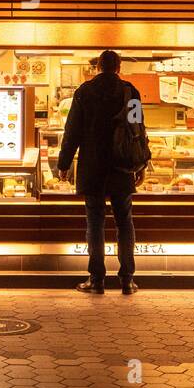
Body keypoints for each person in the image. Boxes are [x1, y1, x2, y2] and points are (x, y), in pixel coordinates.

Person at [57, 49, 141, 295]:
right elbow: (137, 129)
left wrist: (63, 164)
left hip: (93, 167)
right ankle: (127, 280)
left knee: (95, 222)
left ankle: (96, 280)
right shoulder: (130, 91)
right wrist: (141, 164)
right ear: (119, 67)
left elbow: (72, 131)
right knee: (124, 222)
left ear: (97, 67)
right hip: (122, 166)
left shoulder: (84, 92)